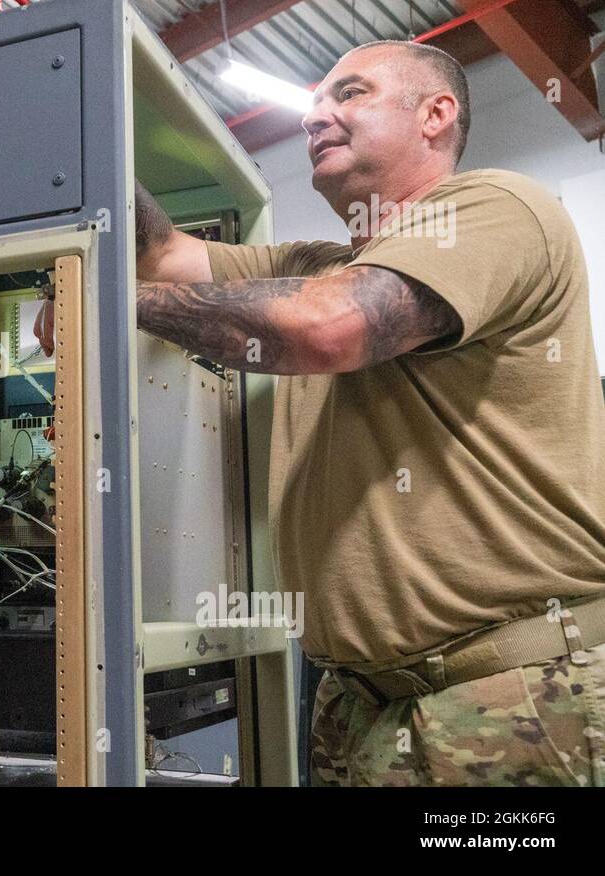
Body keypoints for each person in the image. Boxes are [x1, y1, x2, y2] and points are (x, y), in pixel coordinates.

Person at [38, 40, 605, 786]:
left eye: (351, 93)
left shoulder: (496, 207)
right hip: (359, 702)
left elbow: (327, 328)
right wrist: (65, 109)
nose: (315, 115)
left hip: (507, 695)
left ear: (436, 115)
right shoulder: (317, 265)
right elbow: (159, 253)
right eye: (314, 103)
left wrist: (103, 304)